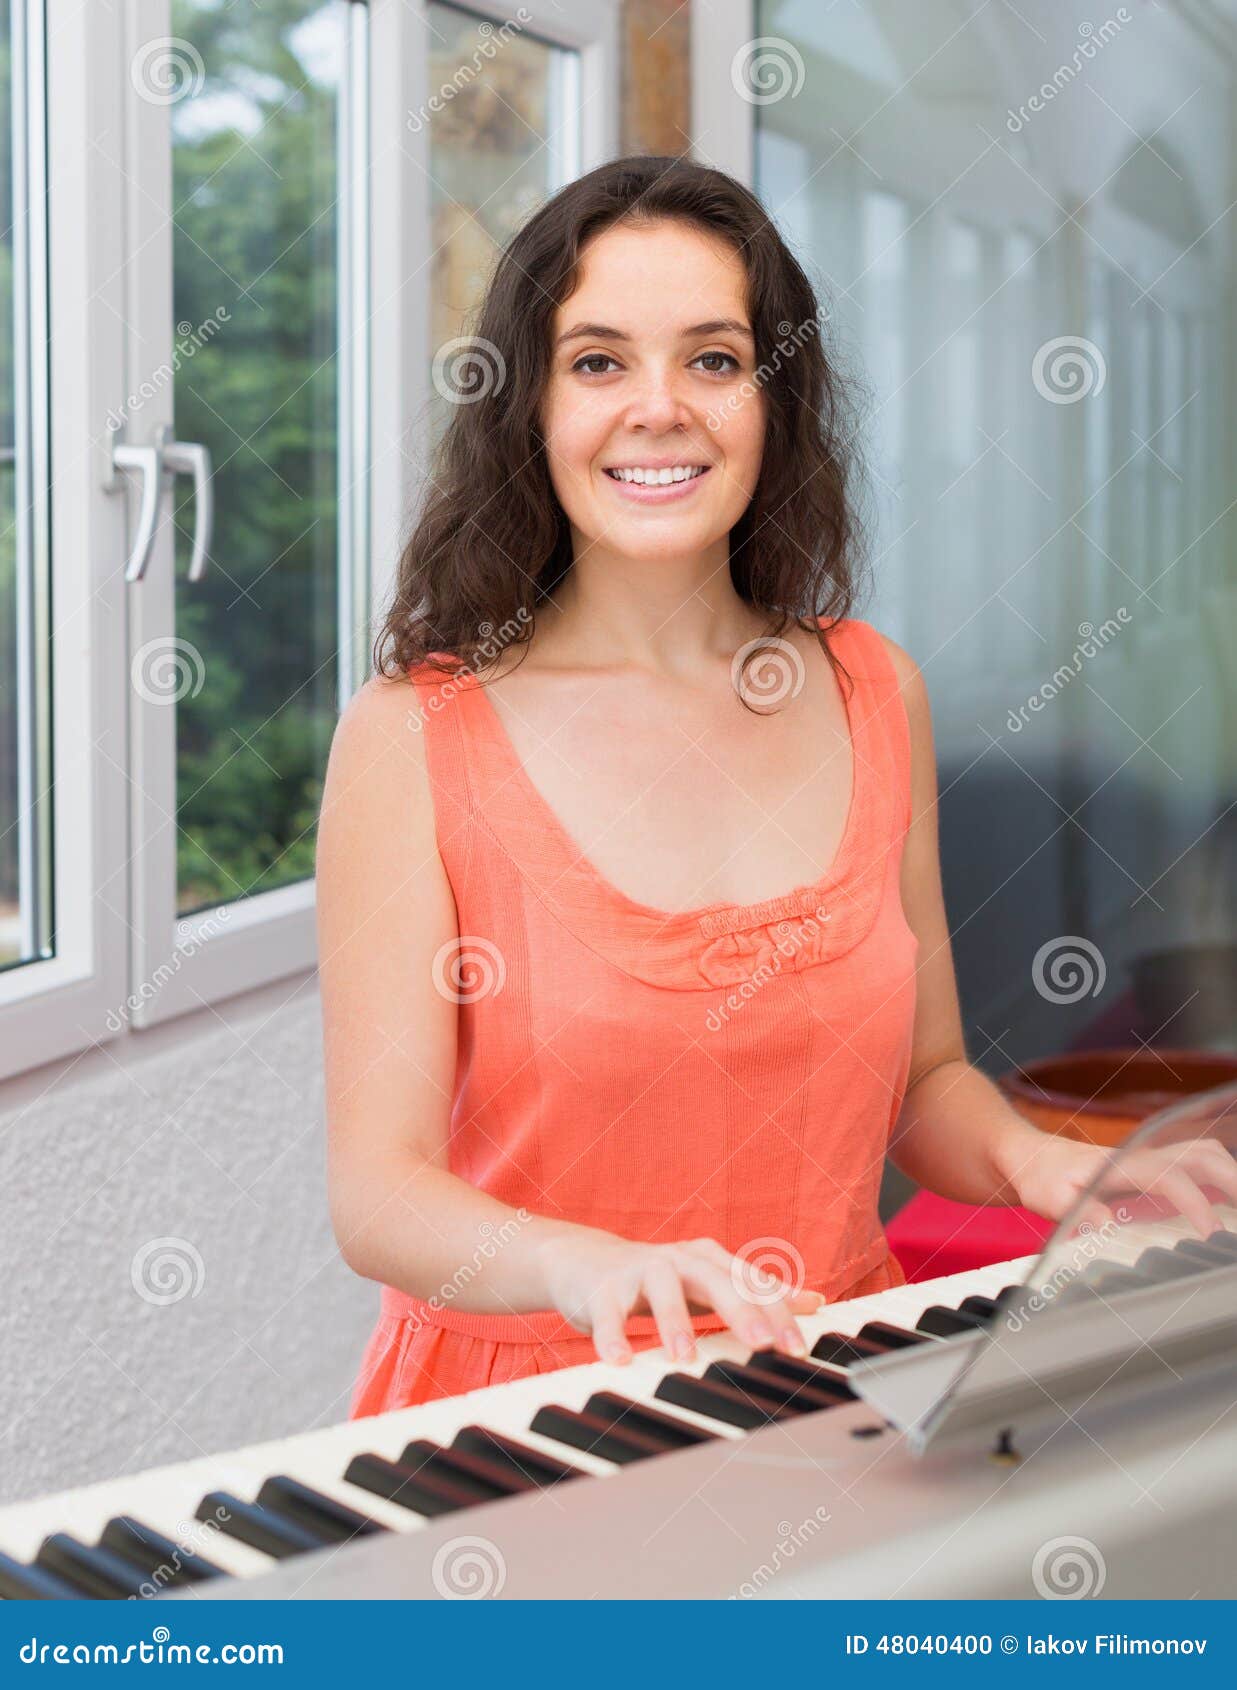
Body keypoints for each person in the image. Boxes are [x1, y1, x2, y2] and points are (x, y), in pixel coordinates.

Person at [316, 155, 1229, 1417]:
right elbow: (378, 1193)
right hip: (524, 1421)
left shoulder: (871, 690)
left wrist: (1041, 1164)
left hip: (829, 1388)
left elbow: (925, 1084)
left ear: (771, 399)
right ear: (528, 407)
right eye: (597, 362)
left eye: (712, 359)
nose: (659, 408)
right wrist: (585, 1267)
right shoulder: (414, 735)